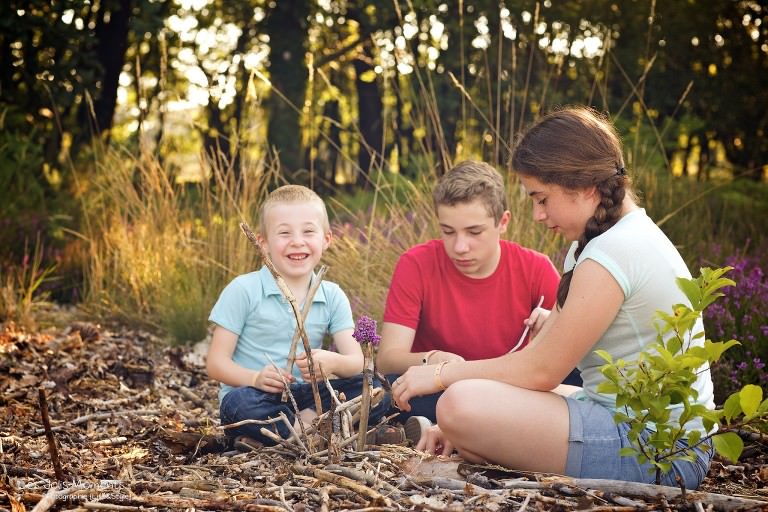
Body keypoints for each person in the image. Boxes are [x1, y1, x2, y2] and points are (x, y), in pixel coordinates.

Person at [390, 107, 716, 489]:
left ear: (583, 186)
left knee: (458, 402)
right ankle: (475, 444)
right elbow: (531, 361)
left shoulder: (614, 252)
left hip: (660, 450)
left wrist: (442, 375)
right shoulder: (595, 244)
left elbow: (540, 372)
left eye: (542, 198)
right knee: (468, 403)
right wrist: (475, 422)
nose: (538, 214)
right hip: (616, 415)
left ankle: (474, 448)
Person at [377, 160, 570, 424]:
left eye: (474, 232)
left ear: (503, 222)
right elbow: (387, 359)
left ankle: (454, 429)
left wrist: (552, 327)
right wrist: (433, 360)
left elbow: (564, 360)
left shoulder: (536, 269)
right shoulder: (416, 264)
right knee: (387, 390)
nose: (460, 247)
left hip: (513, 392)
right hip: (438, 393)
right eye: (448, 232)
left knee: (578, 382)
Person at [206, 185, 389, 446]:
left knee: (374, 391)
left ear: (326, 240)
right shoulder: (243, 289)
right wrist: (255, 378)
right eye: (284, 233)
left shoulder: (332, 294)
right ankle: (318, 432)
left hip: (310, 397)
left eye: (308, 231)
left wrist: (333, 362)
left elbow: (356, 360)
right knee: (237, 404)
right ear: (263, 243)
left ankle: (296, 430)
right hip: (259, 394)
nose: (297, 241)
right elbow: (216, 363)